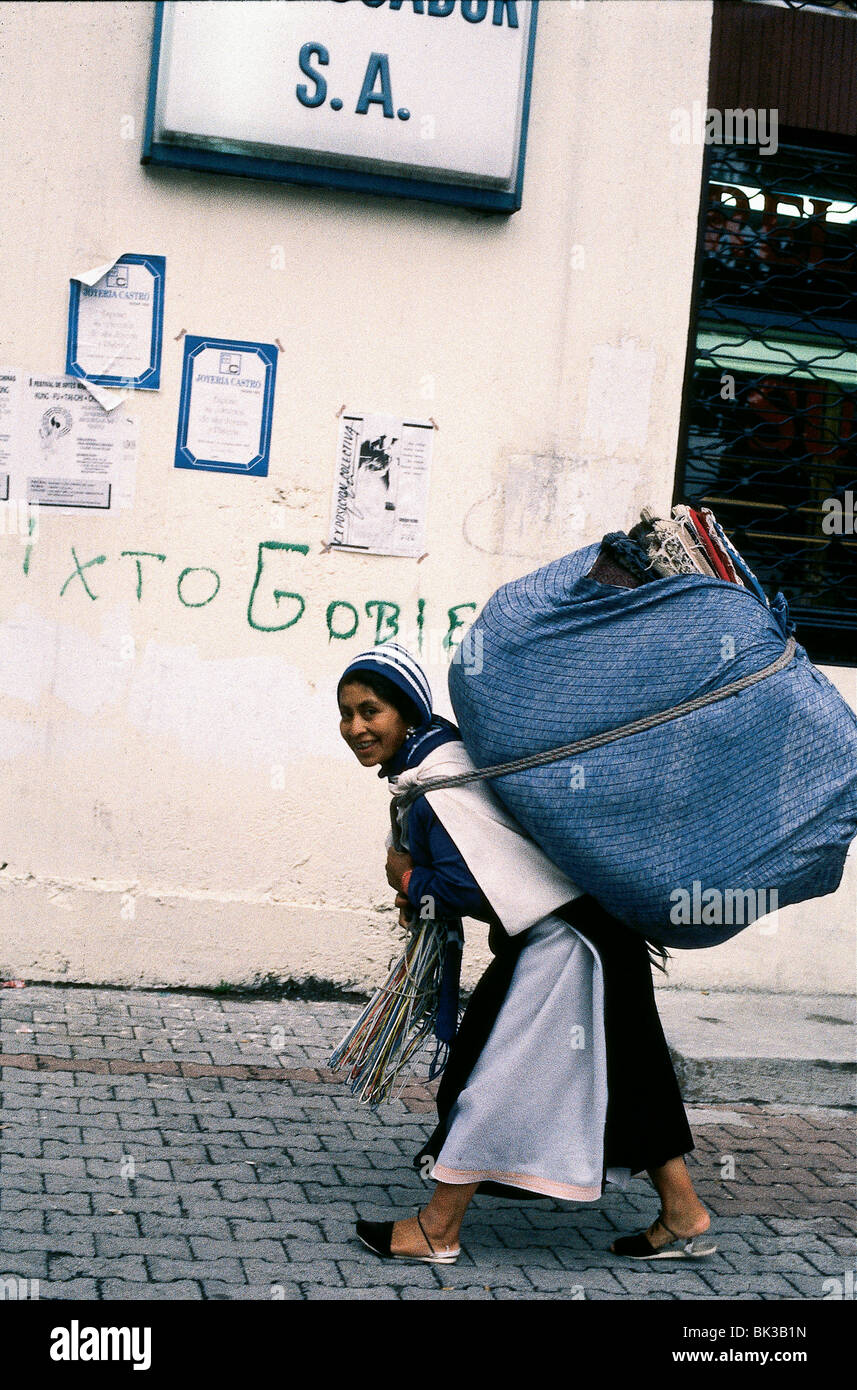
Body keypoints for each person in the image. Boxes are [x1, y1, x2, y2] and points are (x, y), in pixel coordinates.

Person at [336, 643, 716, 1265]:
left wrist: (406, 879)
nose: (355, 728)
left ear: (407, 714)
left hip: (568, 942)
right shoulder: (448, 762)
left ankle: (438, 1227)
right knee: (629, 1069)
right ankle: (683, 1212)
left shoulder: (438, 787)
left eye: (370, 711)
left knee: (488, 1071)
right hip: (594, 927)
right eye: (346, 714)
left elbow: (468, 886)